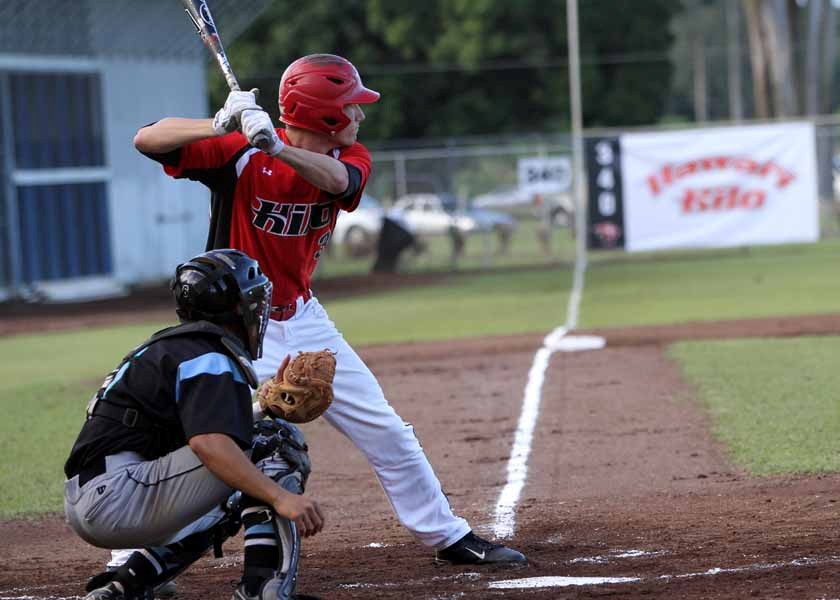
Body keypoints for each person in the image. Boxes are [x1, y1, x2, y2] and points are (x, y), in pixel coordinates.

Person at [131, 53, 525, 566]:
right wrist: (219, 123)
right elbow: (146, 139)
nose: (359, 117)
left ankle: (446, 536)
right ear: (325, 116)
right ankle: (134, 563)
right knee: (201, 441)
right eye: (350, 107)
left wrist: (275, 144)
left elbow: (340, 183)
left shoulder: (349, 156)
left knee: (385, 428)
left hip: (305, 317)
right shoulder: (237, 152)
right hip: (236, 328)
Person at [64, 249, 324, 600]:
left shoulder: (181, 348)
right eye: (254, 298)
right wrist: (280, 497)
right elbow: (210, 444)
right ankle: (265, 591)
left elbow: (200, 436)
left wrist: (263, 406)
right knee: (274, 444)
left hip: (101, 495)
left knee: (240, 482)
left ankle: (127, 586)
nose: (260, 308)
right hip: (118, 497)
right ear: (234, 306)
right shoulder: (210, 357)